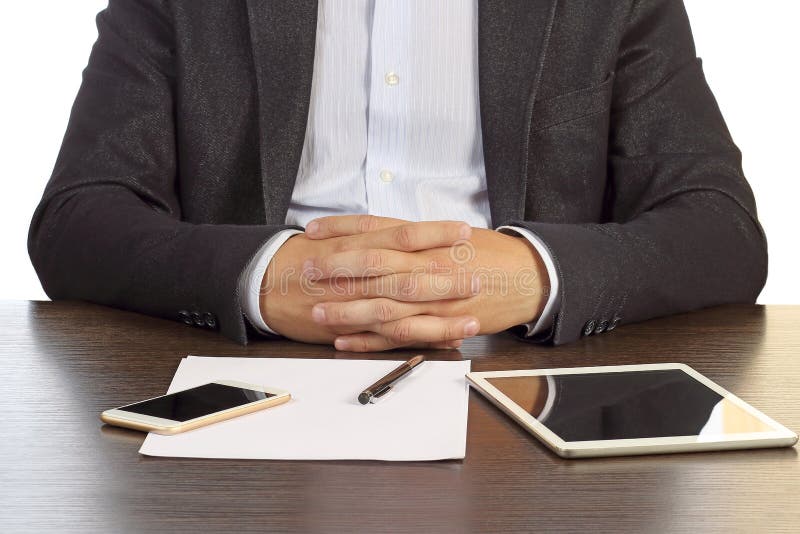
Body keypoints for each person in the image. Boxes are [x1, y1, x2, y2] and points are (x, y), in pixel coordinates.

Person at [28, 0, 767, 352]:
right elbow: (78, 218)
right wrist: (260, 276)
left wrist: (535, 273)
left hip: (524, 373)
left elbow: (719, 227)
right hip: (249, 368)